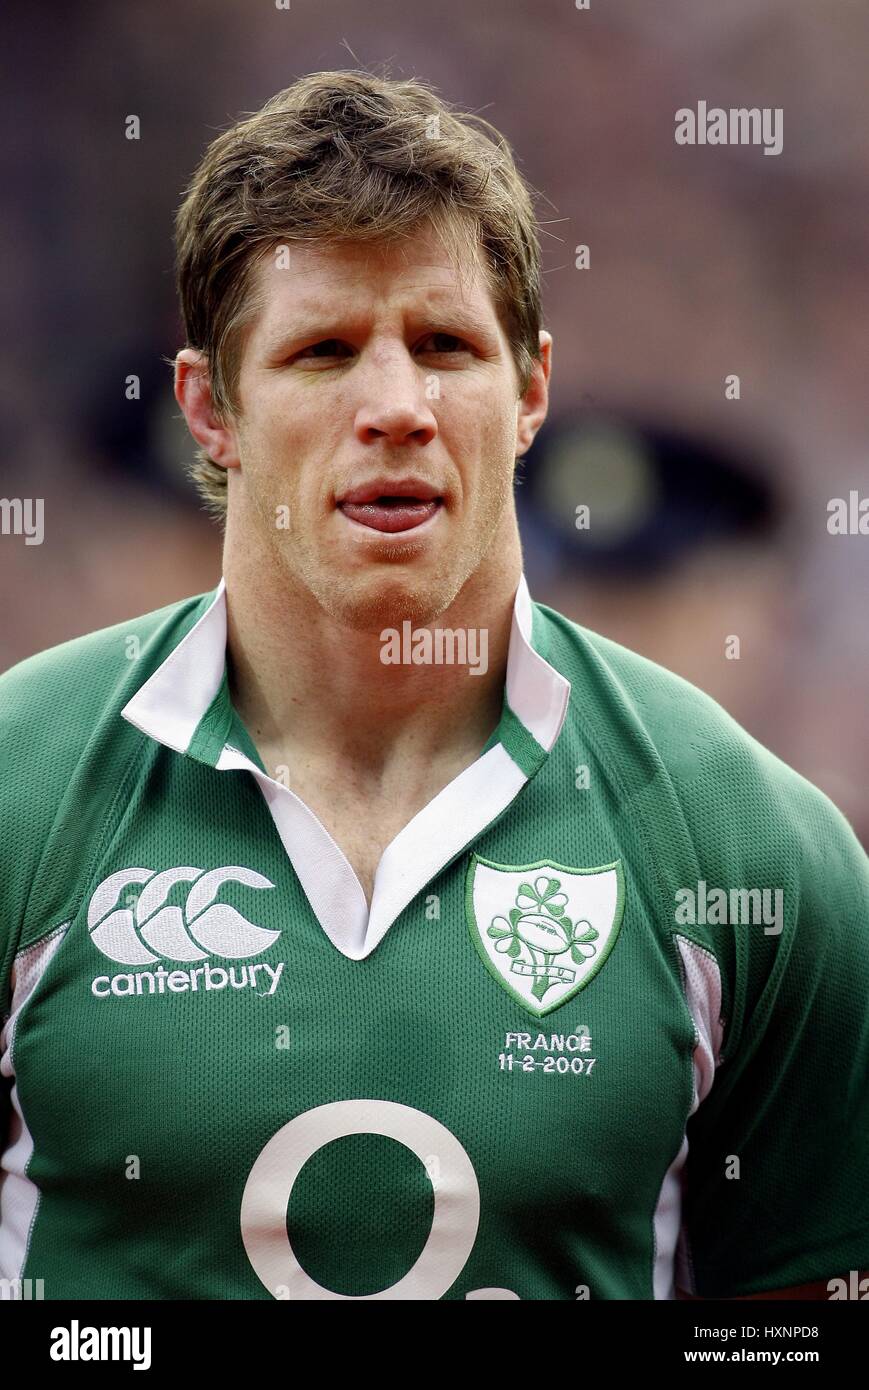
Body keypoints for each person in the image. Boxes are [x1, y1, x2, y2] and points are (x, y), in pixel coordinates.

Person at [0, 70, 866, 1302]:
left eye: (446, 346)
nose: (396, 407)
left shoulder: (754, 849)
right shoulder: (22, 794)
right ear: (209, 407)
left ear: (528, 391)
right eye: (323, 351)